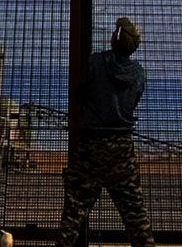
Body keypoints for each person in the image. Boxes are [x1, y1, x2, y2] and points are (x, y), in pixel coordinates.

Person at [56, 17, 154, 247]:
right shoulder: (139, 73)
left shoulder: (95, 62)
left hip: (91, 146)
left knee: (74, 212)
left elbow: (81, 94)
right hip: (122, 149)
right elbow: (134, 101)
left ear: (114, 39)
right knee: (135, 214)